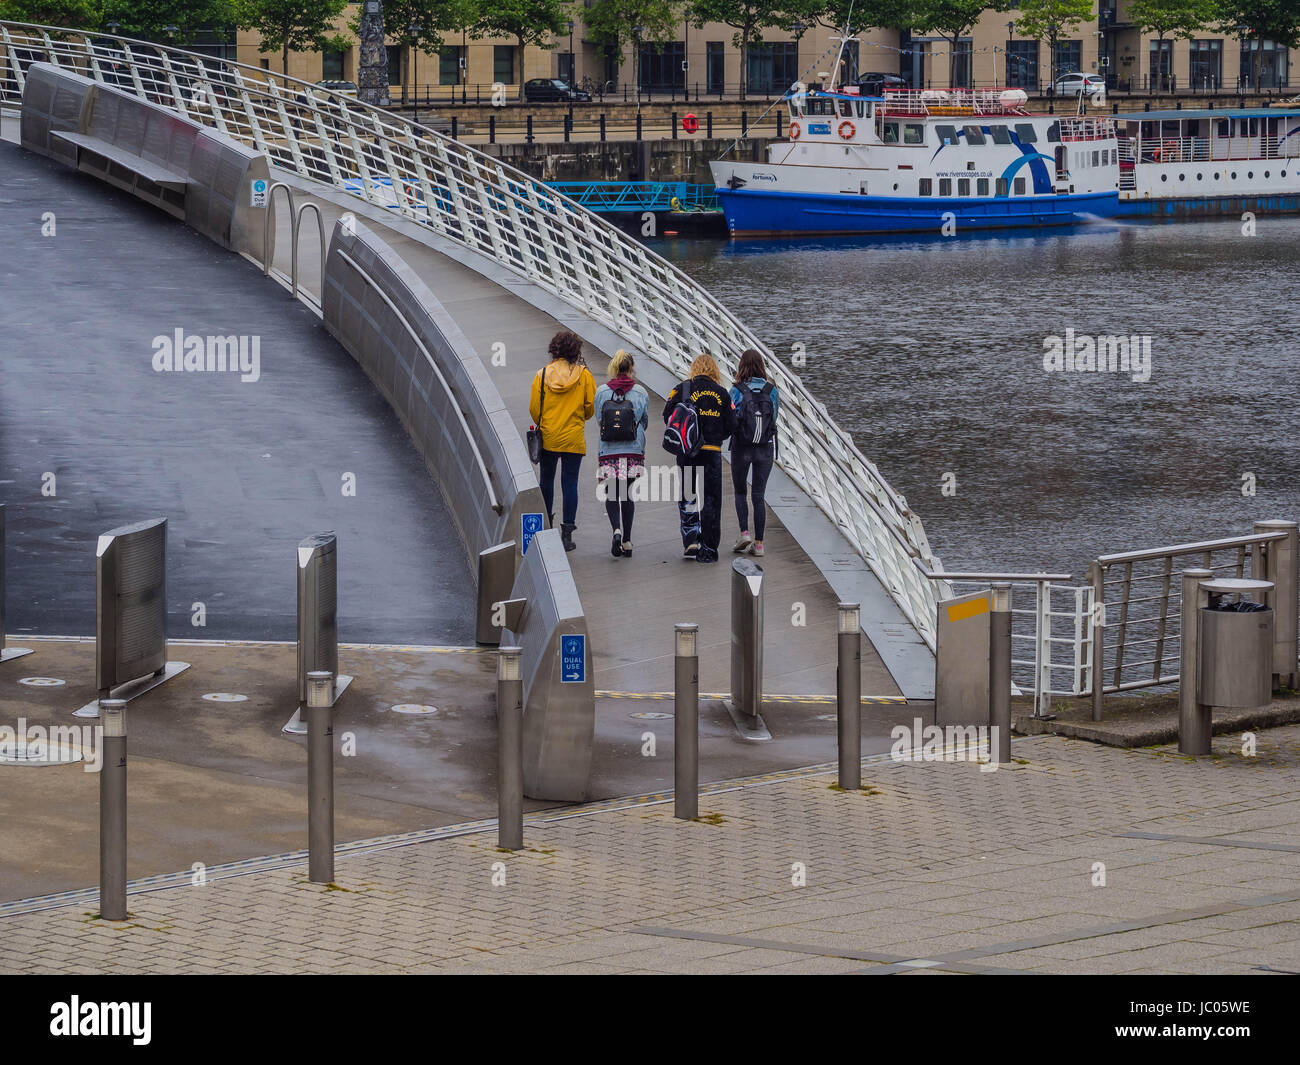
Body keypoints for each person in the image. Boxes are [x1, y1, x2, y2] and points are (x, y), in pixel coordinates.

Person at [663, 352, 734, 563]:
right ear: (714, 370)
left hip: (686, 451)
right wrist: (716, 436)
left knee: (688, 494)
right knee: (711, 499)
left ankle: (691, 539)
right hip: (712, 452)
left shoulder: (682, 389)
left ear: (694, 369)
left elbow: (668, 415)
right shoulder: (722, 393)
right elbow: (732, 425)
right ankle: (710, 547)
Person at [528, 330, 595, 551]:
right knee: (570, 484)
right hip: (573, 438)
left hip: (549, 437)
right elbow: (589, 409)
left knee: (546, 481)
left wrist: (547, 422)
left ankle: (546, 526)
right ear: (576, 351)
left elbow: (534, 410)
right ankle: (567, 534)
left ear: (554, 349)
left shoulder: (542, 375)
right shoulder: (584, 375)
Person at [593, 350, 649, 558]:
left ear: (614, 369)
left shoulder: (601, 392)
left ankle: (615, 529)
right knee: (627, 494)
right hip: (632, 451)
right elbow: (644, 422)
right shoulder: (641, 392)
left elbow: (601, 421)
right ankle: (627, 540)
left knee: (611, 492)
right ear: (632, 368)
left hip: (609, 451)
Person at [728, 349, 780, 558]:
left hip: (742, 446)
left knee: (741, 491)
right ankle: (759, 545)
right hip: (765, 447)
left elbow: (732, 417)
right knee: (758, 495)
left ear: (742, 366)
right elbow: (773, 417)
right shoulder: (771, 390)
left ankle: (745, 533)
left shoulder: (737, 390)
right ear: (761, 366)